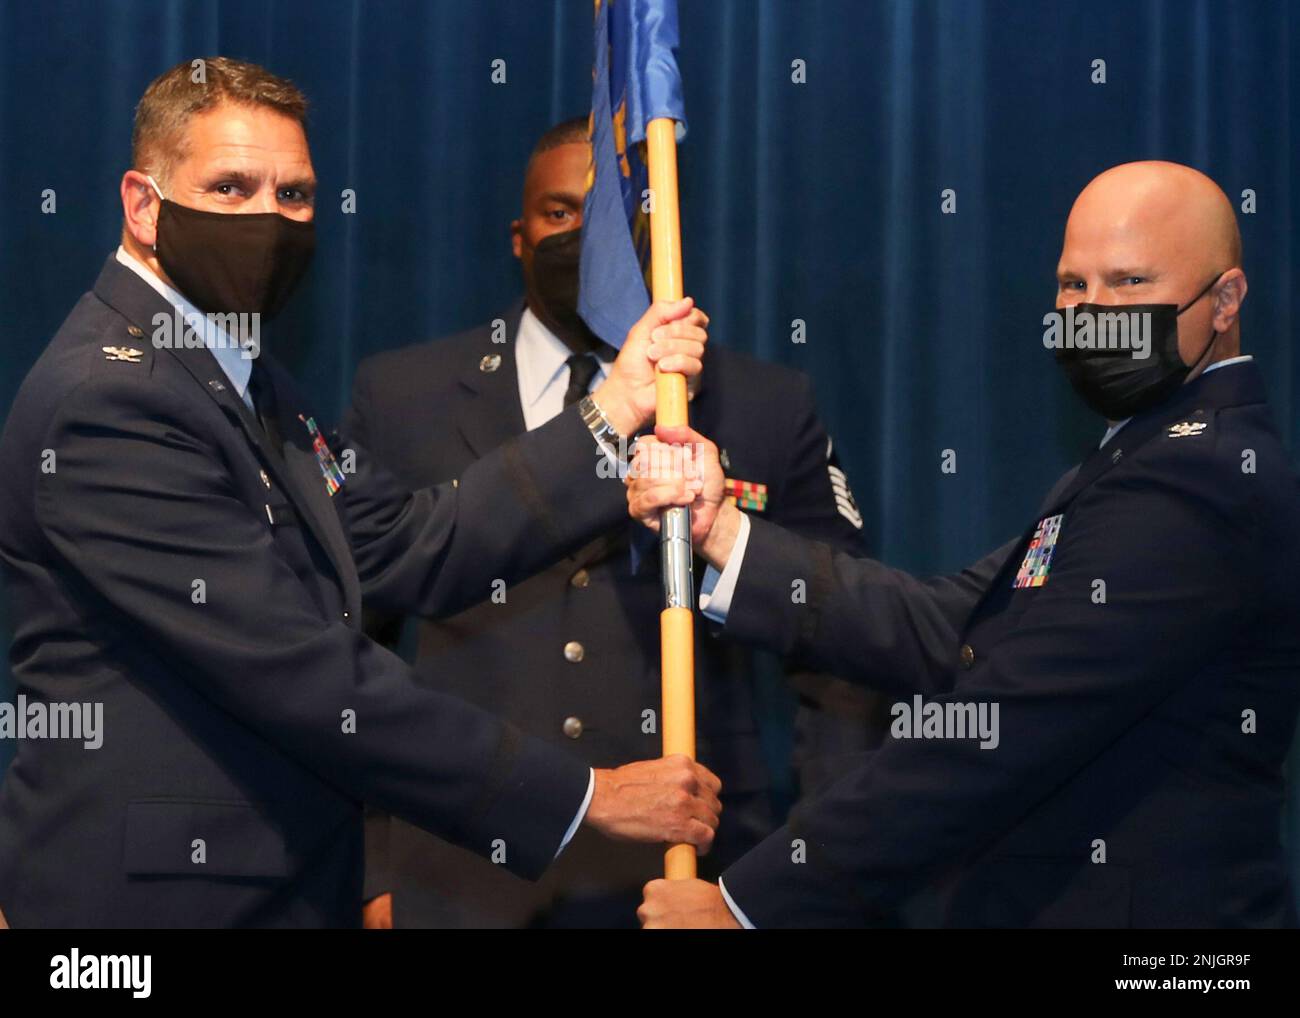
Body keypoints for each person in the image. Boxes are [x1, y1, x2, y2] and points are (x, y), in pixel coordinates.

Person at [0, 57, 722, 928]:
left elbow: (404, 541)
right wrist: (582, 795)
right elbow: (298, 669)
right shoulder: (113, 401)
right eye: (231, 188)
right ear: (145, 206)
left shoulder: (243, 374)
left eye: (295, 195)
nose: (269, 218)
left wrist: (613, 410)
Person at [630, 161, 1300, 928]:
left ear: (1225, 300)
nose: (1093, 313)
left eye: (1129, 283)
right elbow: (957, 626)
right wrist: (723, 533)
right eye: (1073, 286)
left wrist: (745, 905)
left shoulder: (1198, 480)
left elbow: (1003, 726)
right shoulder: (1145, 454)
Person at [347, 117, 868, 928]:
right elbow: (349, 645)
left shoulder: (767, 403)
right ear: (519, 239)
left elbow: (841, 656)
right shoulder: (401, 395)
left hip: (689, 879)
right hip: (457, 876)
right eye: (561, 215)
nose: (590, 238)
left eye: (621, 216)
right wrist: (374, 864)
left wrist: (807, 874)